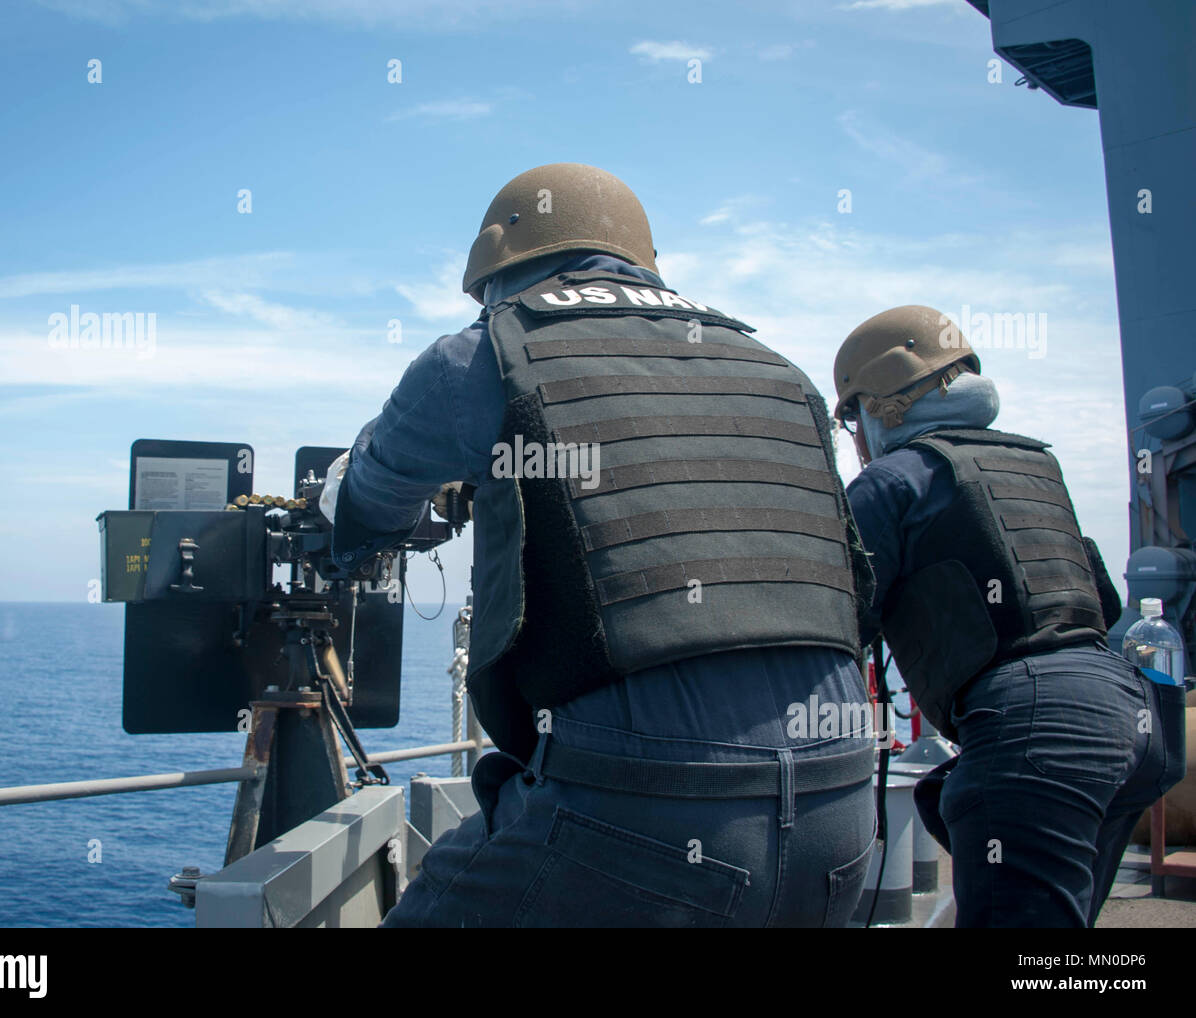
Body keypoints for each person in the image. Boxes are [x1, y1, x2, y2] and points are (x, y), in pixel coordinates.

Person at [325, 163, 877, 927]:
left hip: (643, 817)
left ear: (496, 269)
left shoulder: (482, 353)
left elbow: (370, 500)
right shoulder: (781, 372)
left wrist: (352, 516)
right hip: (845, 811)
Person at [833, 305, 1185, 927]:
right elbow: (1100, 606)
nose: (856, 438)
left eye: (851, 417)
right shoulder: (1036, 466)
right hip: (1136, 727)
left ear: (876, 404)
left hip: (1040, 739)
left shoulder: (891, 482)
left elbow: (837, 624)